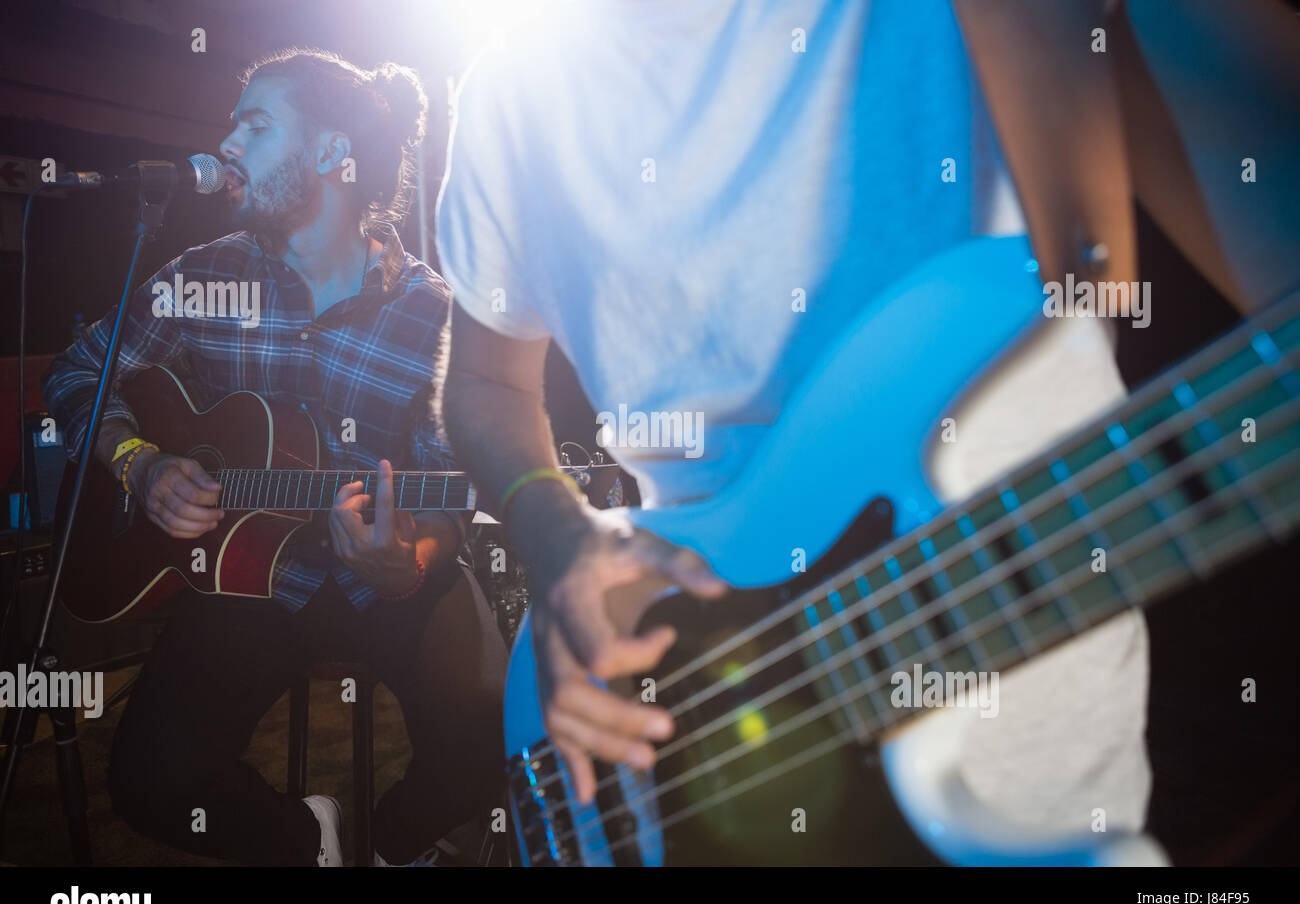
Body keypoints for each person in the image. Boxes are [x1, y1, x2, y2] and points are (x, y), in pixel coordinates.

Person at [434, 0, 1300, 860]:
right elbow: (482, 377)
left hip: (1036, 794)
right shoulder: (513, 87)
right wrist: (551, 536)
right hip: (677, 701)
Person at [41, 48, 507, 866]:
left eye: (255, 124)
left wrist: (408, 559)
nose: (227, 141)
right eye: (233, 121)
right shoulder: (203, 273)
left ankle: (391, 847)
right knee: (150, 782)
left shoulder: (438, 318)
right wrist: (139, 462)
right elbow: (81, 369)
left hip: (387, 579)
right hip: (245, 571)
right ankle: (308, 840)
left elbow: (445, 497)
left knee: (492, 733)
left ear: (332, 154)